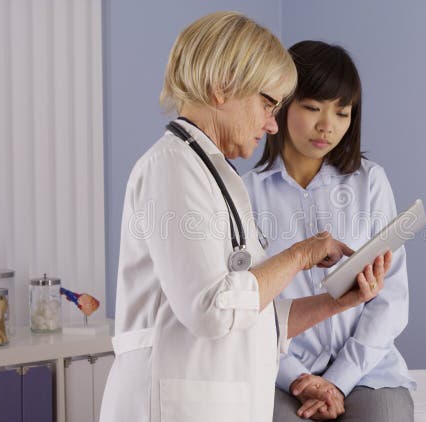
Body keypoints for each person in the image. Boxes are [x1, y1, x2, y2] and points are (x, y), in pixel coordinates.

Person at [99, 14, 392, 422]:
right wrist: (300, 255)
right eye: (268, 104)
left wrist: (335, 303)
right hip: (172, 404)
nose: (272, 124)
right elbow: (213, 309)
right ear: (222, 88)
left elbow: (252, 314)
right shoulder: (171, 167)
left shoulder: (215, 174)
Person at [243, 40, 416, 421]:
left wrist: (338, 380)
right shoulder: (246, 194)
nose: (328, 126)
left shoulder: (371, 183)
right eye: (312, 108)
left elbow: (391, 297)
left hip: (367, 370)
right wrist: (298, 378)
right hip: (280, 372)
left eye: (342, 112)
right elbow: (250, 305)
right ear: (281, 104)